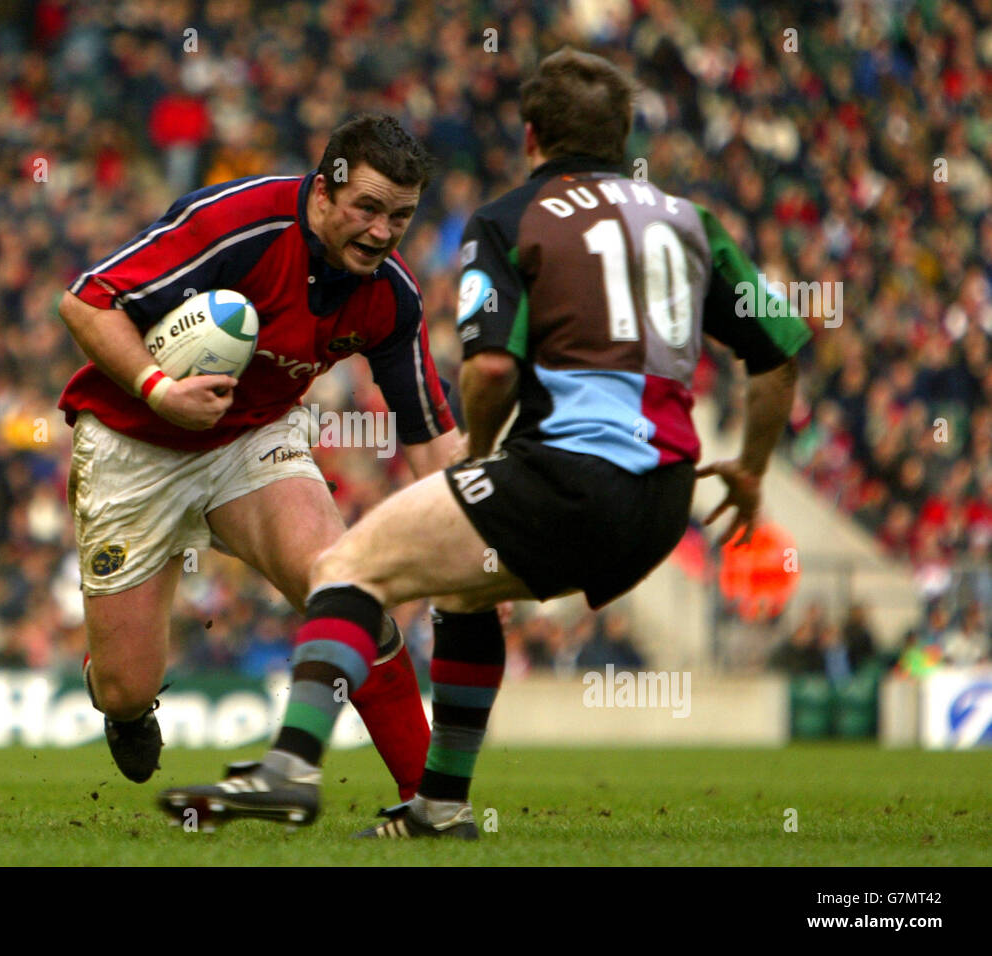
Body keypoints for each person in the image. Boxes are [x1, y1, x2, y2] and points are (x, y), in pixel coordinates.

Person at [159, 47, 811, 837]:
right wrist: (749, 468)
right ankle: (440, 806)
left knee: (347, 570)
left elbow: (493, 368)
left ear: (531, 134)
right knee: (464, 592)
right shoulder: (691, 224)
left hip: (567, 476)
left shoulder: (511, 219)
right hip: (664, 503)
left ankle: (288, 770)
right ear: (622, 138)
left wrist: (480, 457)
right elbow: (777, 355)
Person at [57, 114, 460, 798]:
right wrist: (160, 390)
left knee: (348, 590)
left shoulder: (390, 294)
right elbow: (86, 302)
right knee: (129, 685)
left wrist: (470, 544)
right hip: (134, 442)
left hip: (254, 438)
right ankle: (122, 706)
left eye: (401, 215)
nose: (383, 232)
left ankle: (432, 802)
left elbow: (424, 433)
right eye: (367, 208)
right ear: (324, 193)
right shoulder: (238, 223)